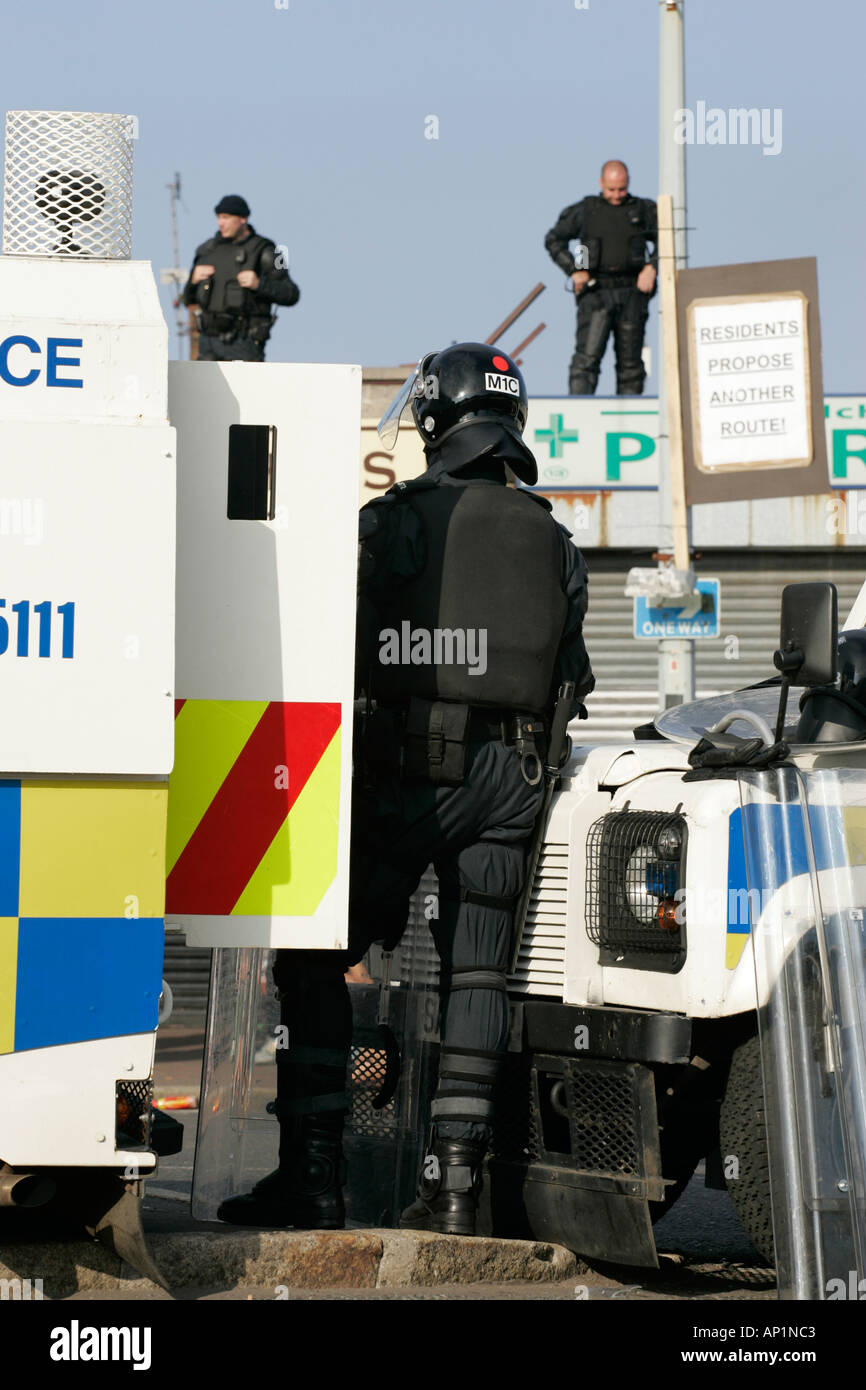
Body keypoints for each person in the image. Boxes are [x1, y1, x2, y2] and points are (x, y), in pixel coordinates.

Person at [218, 343, 594, 1236]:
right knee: (478, 972)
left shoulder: (390, 523)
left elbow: (330, 650)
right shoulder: (555, 539)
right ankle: (458, 1193)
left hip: (401, 772)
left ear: (433, 420)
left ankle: (314, 1178)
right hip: (515, 779)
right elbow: (573, 682)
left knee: (315, 955)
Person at [545, 160, 657, 395]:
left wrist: (652, 267)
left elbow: (667, 239)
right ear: (601, 183)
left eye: (622, 189)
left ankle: (630, 419)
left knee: (631, 367)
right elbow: (554, 239)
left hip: (632, 295)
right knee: (586, 361)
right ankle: (579, 414)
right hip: (595, 294)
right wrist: (575, 270)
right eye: (611, 189)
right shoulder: (586, 211)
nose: (617, 195)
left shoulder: (643, 210)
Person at [182, 195, 299, 362]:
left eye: (226, 217)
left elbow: (291, 293)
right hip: (208, 345)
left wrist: (259, 284)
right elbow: (188, 300)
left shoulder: (267, 250)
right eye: (219, 217)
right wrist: (193, 282)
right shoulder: (206, 251)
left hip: (246, 345)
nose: (220, 223)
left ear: (243, 218)